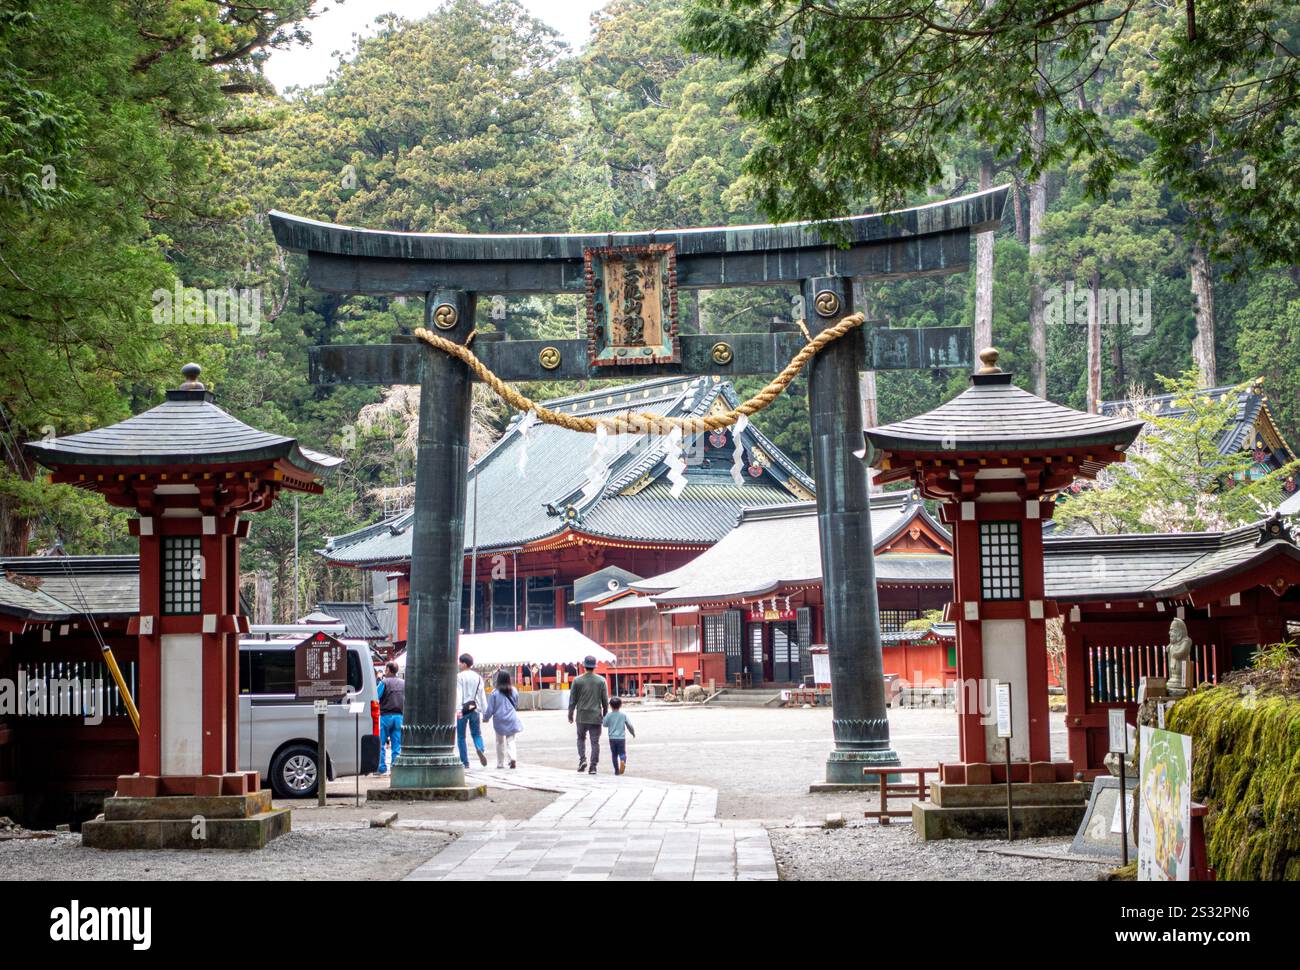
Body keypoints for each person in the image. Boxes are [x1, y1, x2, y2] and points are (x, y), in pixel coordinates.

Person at [567, 655, 608, 774]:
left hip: (581, 716)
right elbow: (605, 701)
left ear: (584, 666)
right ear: (595, 666)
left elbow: (572, 700)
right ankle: (593, 766)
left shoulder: (577, 680)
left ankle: (582, 760)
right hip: (595, 717)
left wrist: (570, 714)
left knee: (580, 738)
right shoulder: (601, 681)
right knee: (595, 742)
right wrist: (605, 715)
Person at [482, 669, 523, 769]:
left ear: (498, 679)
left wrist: (486, 718)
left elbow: (490, 709)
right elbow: (516, 704)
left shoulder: (494, 693)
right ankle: (512, 758)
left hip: (499, 720)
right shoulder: (514, 690)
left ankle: (500, 763)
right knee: (511, 740)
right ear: (509, 679)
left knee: (499, 742)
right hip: (511, 718)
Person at [456, 653, 488, 768]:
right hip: (475, 708)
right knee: (476, 734)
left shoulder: (459, 676)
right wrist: (485, 713)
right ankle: (480, 748)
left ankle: (465, 762)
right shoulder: (478, 677)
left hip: (463, 709)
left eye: (460, 662)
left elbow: (458, 693)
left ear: (464, 664)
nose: (459, 664)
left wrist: (458, 709)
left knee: (461, 737)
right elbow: (482, 696)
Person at [375, 661, 404, 775]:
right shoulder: (403, 683)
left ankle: (381, 768)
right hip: (399, 717)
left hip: (385, 717)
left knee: (381, 743)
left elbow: (376, 696)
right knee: (396, 744)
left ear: (388, 670)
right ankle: (395, 768)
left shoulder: (384, 682)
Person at [602, 695, 636, 775]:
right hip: (621, 738)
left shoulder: (609, 715)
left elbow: (604, 724)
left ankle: (616, 770)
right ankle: (623, 761)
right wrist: (633, 733)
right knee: (622, 753)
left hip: (612, 738)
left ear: (610, 706)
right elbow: (629, 725)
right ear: (620, 705)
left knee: (614, 754)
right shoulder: (623, 715)